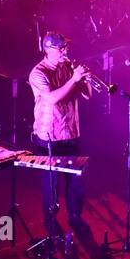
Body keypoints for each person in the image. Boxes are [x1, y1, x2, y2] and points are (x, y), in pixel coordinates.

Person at [28, 31, 93, 239]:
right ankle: (50, 220)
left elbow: (88, 95)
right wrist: (74, 79)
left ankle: (75, 216)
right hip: (49, 136)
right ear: (48, 50)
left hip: (71, 132)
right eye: (61, 48)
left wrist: (86, 80)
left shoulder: (68, 67)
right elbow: (53, 98)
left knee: (75, 181)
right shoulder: (38, 73)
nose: (66, 51)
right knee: (51, 183)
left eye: (65, 47)